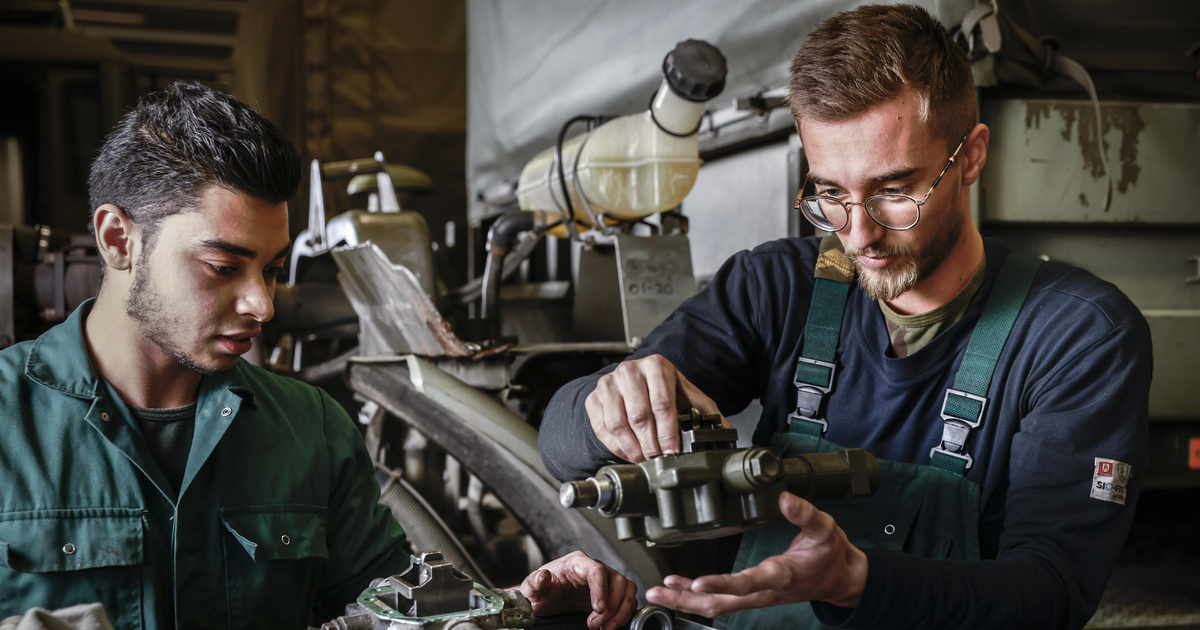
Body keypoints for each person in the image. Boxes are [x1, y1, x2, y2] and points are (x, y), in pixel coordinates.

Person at [538, 4, 1152, 629]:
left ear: (970, 157)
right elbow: (558, 445)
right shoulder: (774, 287)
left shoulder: (1079, 336)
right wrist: (603, 407)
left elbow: (1051, 594)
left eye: (893, 190)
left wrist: (861, 583)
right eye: (831, 193)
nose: (858, 234)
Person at [0, 82, 637, 630]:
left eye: (273, 270)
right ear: (118, 240)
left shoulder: (308, 430)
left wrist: (509, 607)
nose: (261, 305)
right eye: (223, 266)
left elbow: (396, 612)